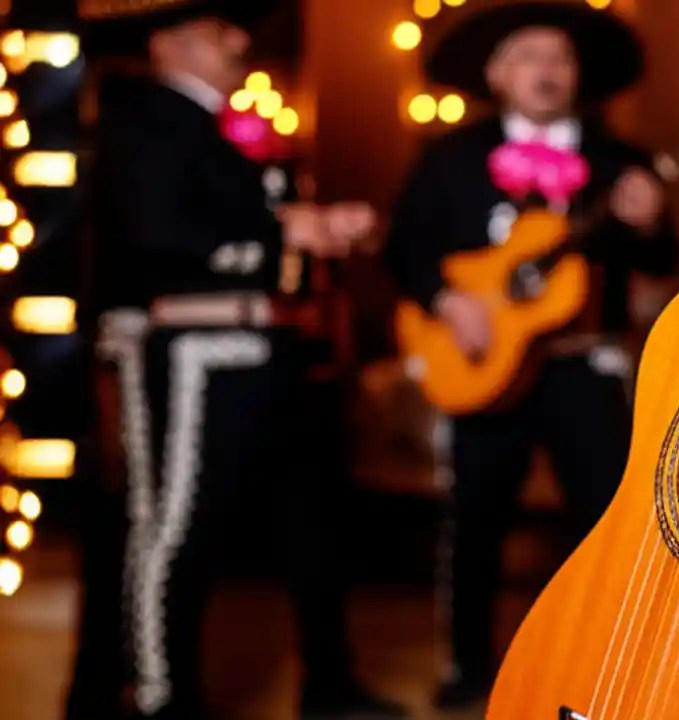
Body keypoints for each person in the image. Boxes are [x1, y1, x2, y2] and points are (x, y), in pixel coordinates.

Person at [68, 1, 405, 717]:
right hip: (199, 352)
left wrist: (308, 228)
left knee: (310, 514)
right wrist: (287, 232)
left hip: (269, 346)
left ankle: (329, 681)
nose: (240, 40)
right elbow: (161, 234)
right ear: (171, 43)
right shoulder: (148, 118)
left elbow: (236, 223)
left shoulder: (218, 131)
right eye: (221, 29)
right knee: (178, 528)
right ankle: (161, 695)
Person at [385, 0, 678, 707]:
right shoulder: (449, 158)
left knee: (603, 519)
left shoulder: (621, 161)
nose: (544, 72)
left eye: (559, 58)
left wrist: (651, 221)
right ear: (496, 72)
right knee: (476, 516)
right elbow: (405, 249)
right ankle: (465, 668)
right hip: (484, 368)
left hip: (584, 363)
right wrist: (448, 301)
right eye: (528, 56)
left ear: (580, 75)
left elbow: (662, 257)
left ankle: (600, 669)